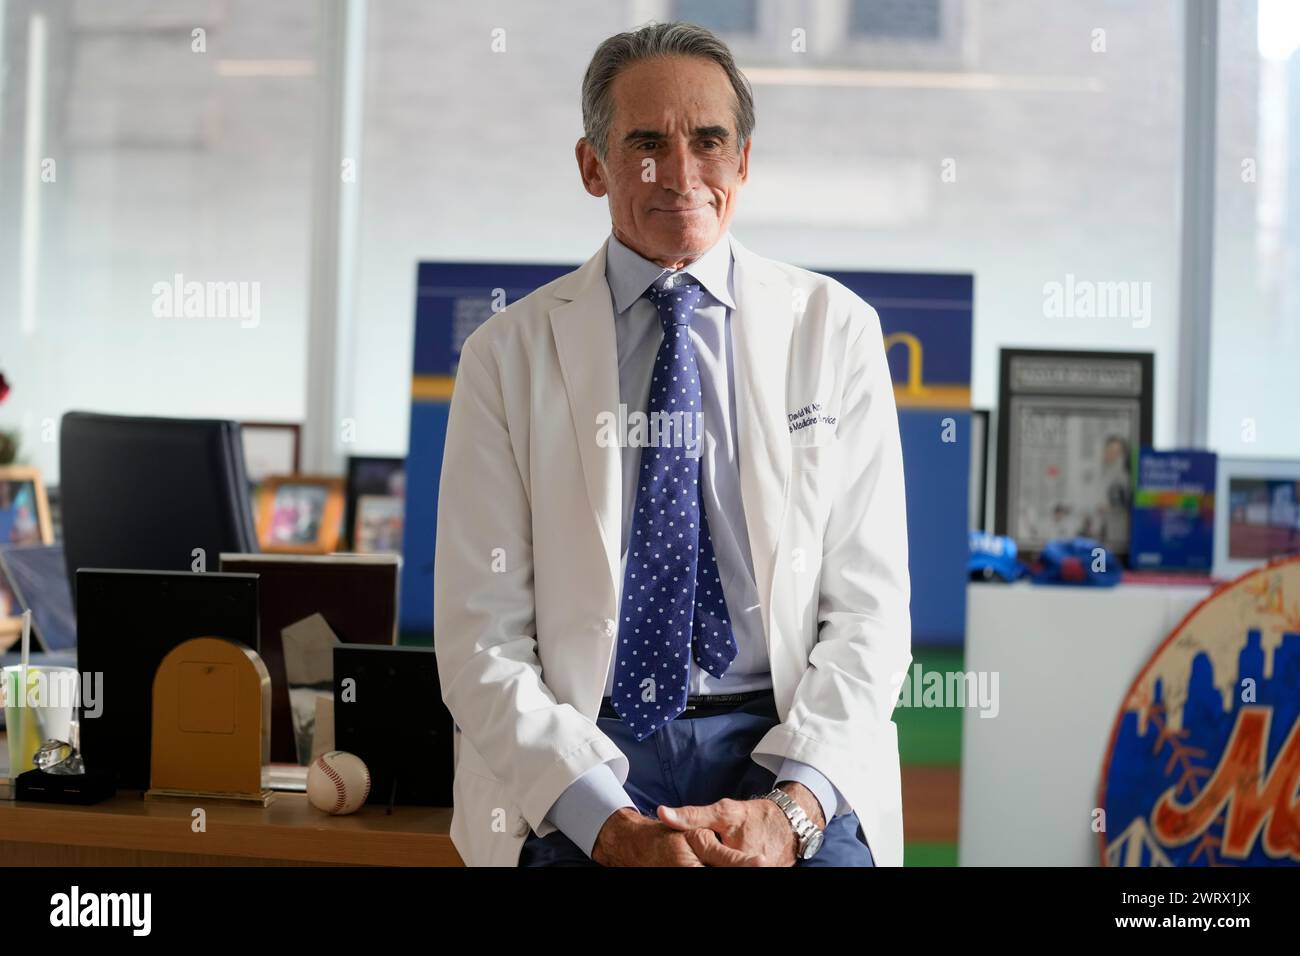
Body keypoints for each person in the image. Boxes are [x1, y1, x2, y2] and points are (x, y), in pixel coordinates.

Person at [434, 21, 911, 867]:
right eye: (647, 144)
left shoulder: (835, 331)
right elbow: (482, 641)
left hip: (784, 741)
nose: (682, 175)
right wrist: (608, 825)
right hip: (587, 748)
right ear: (592, 165)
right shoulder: (504, 357)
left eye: (711, 142)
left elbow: (869, 615)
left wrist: (791, 812)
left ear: (745, 162)